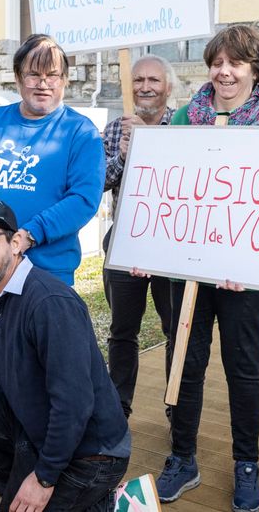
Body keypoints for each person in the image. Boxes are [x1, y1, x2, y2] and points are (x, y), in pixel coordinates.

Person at [151, 25, 259, 512]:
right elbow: (169, 189)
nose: (225, 71)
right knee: (183, 358)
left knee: (243, 365)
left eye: (236, 63)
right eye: (218, 62)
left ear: (255, 69)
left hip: (242, 274)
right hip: (189, 269)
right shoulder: (188, 116)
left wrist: (244, 260)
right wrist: (155, 250)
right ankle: (182, 456)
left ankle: (246, 464)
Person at [0, 197, 131, 512]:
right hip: (37, 431)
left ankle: (98, 500)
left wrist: (43, 479)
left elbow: (74, 404)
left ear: (15, 243)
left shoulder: (50, 303)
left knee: (30, 496)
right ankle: (35, 491)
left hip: (92, 455)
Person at [0, 33, 104, 287]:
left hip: (48, 272)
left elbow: (83, 199)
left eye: (52, 74)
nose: (43, 83)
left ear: (64, 79)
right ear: (19, 77)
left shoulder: (80, 132)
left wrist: (31, 233)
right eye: (33, 74)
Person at [101, 54, 177, 419]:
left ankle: (177, 405)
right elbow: (98, 182)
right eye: (138, 80)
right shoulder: (116, 129)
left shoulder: (185, 126)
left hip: (171, 244)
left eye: (154, 80)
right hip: (126, 240)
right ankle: (118, 408)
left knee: (175, 328)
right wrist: (123, 156)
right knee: (122, 330)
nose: (145, 87)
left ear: (168, 88)